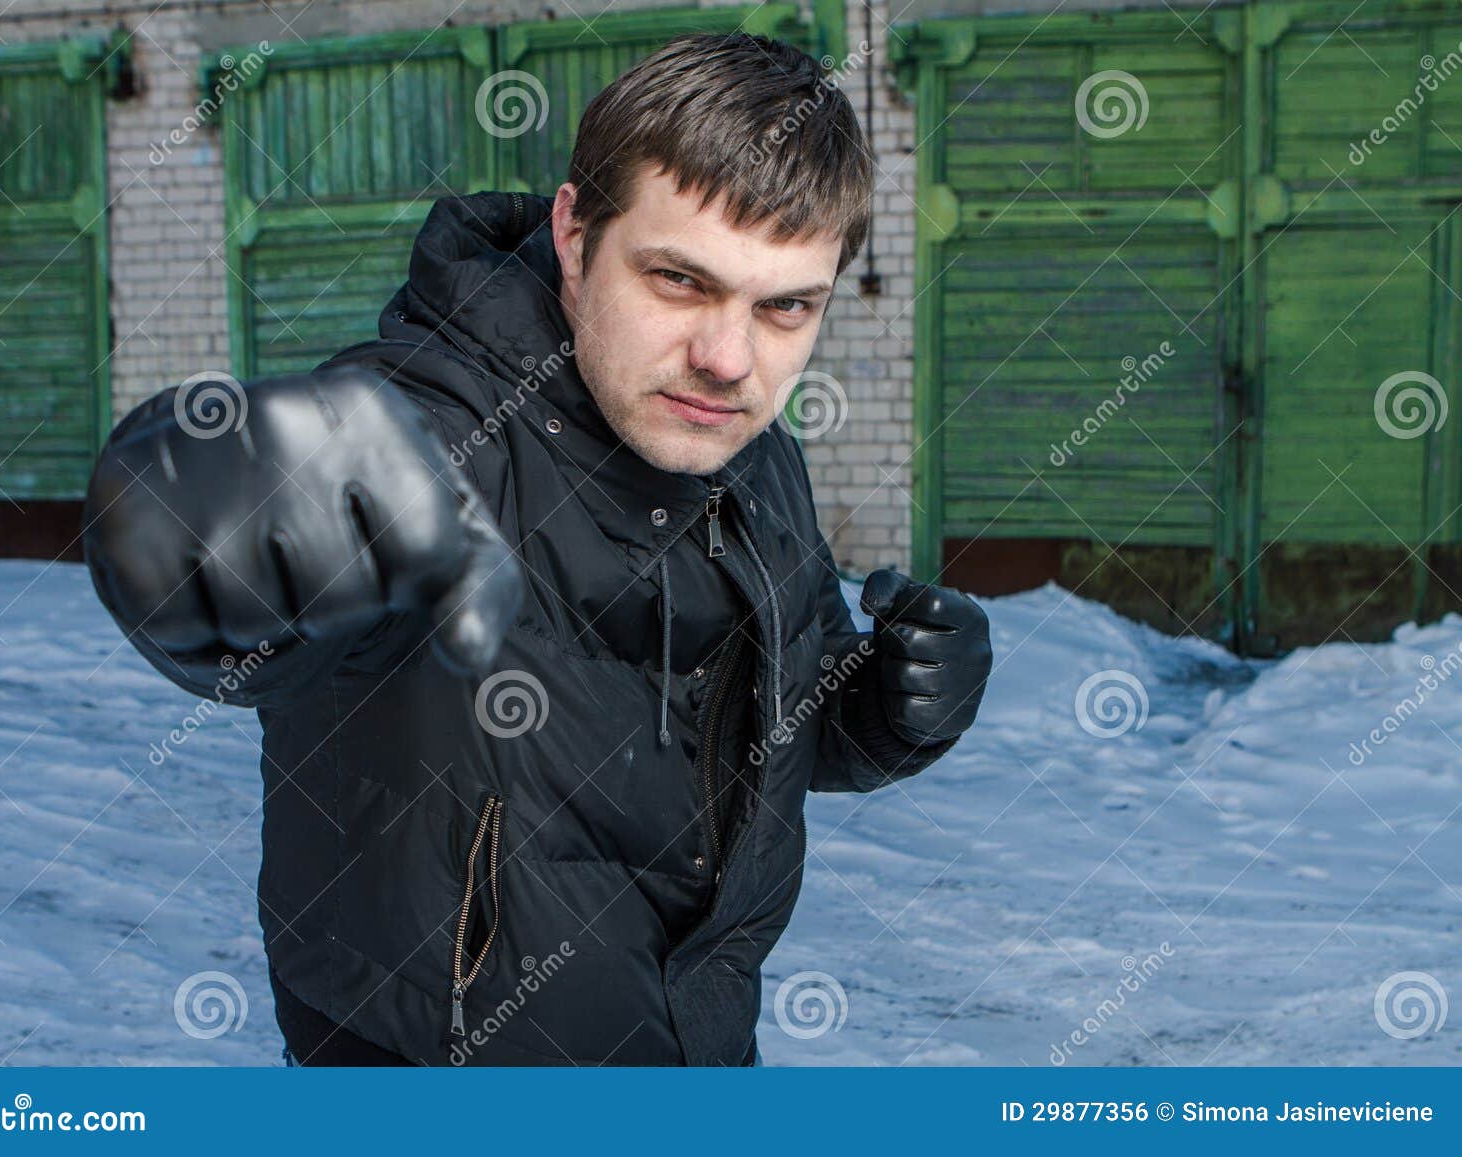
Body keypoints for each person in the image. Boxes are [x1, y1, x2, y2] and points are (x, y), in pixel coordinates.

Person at [82, 31, 991, 1067]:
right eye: (679, 281)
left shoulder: (755, 453)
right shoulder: (432, 430)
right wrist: (196, 511)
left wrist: (881, 707)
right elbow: (236, 541)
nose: (729, 358)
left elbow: (769, 723)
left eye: (784, 306)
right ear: (573, 231)